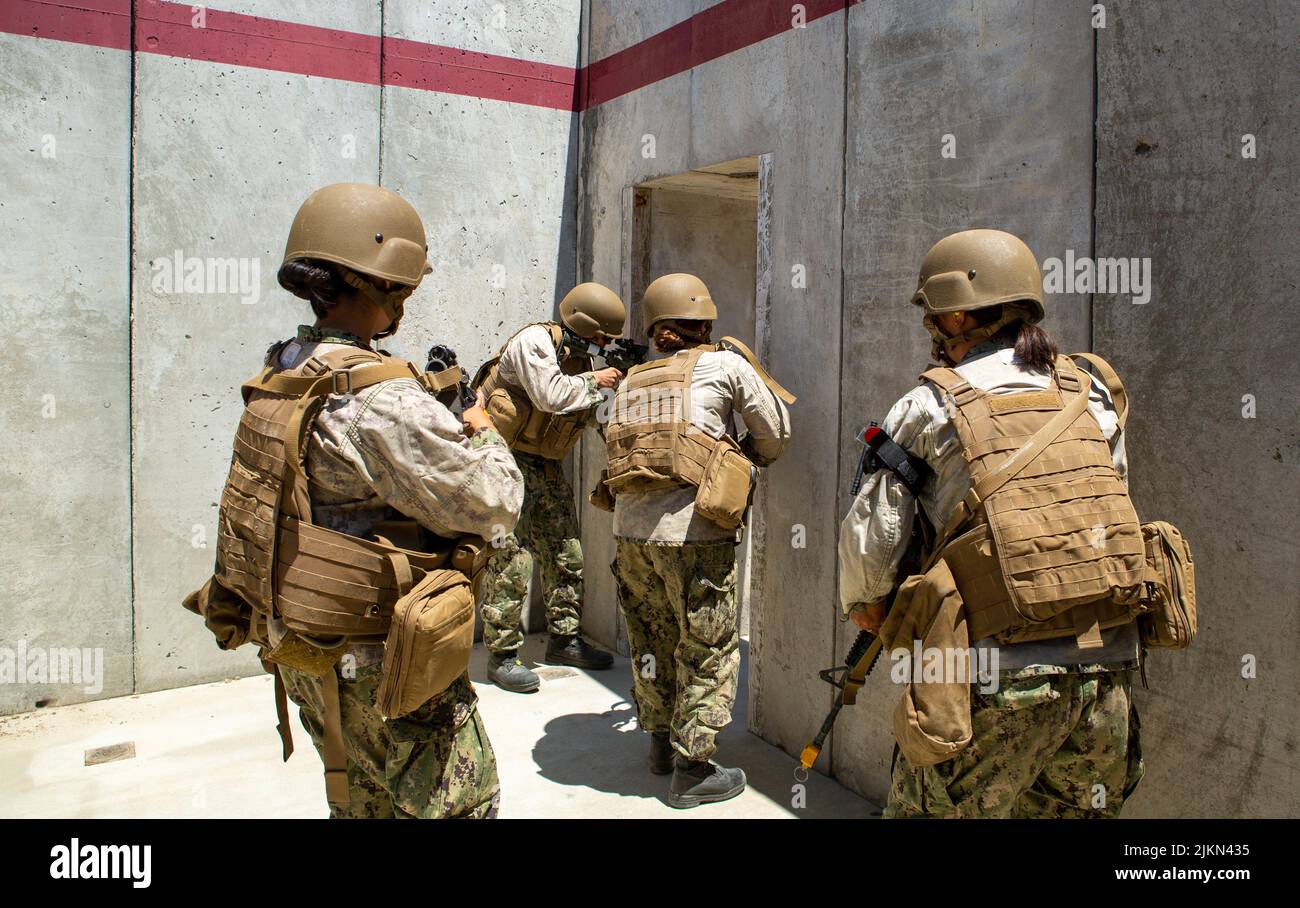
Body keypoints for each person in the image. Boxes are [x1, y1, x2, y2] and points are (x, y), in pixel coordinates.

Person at [183, 183, 523, 818]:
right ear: (387, 285)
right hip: (384, 659)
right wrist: (479, 425)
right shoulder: (379, 399)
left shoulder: (285, 369)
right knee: (462, 806)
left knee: (358, 798)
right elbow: (495, 502)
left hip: (303, 645)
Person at [838, 228, 1147, 818]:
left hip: (988, 678)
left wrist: (868, 606)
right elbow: (1115, 498)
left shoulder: (929, 403)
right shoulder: (1092, 392)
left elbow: (872, 536)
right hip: (1105, 671)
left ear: (955, 318)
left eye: (934, 316)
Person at [600, 273, 793, 808]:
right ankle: (693, 767)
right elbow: (774, 433)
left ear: (656, 328)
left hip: (630, 533)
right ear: (704, 324)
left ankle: (661, 744)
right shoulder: (725, 364)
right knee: (708, 647)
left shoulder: (630, 380)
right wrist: (744, 463)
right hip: (695, 531)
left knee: (652, 642)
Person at [475, 284, 626, 692]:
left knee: (566, 551)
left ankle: (564, 638)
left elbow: (600, 417)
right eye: (600, 337)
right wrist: (598, 380)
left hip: (544, 465)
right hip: (502, 461)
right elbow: (550, 395)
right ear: (581, 323)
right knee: (511, 558)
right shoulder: (534, 342)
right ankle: (502, 655)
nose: (603, 345)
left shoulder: (582, 360)